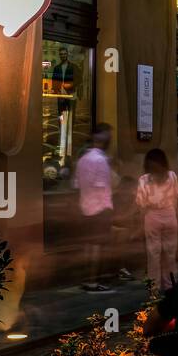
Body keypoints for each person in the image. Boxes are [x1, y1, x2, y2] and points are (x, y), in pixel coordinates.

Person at [76, 123, 115, 291]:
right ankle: (93, 280)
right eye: (108, 136)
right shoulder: (101, 160)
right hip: (99, 209)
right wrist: (109, 209)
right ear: (102, 138)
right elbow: (103, 187)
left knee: (88, 245)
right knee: (97, 246)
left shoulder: (82, 159)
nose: (110, 139)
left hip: (84, 207)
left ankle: (86, 279)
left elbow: (76, 184)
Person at [135, 149, 178, 289]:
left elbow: (141, 203)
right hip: (170, 214)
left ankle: (154, 288)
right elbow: (176, 196)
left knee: (153, 254)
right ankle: (170, 285)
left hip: (152, 216)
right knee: (170, 254)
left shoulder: (144, 179)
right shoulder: (172, 176)